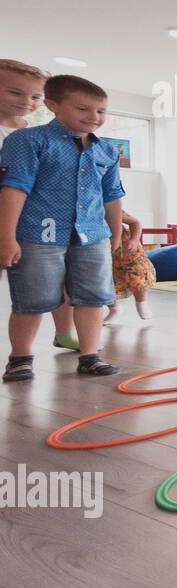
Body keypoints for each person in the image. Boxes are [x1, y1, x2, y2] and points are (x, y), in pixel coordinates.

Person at [1, 74, 123, 381]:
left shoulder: (106, 150)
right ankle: (20, 358)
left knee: (94, 296)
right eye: (83, 109)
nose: (94, 117)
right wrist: (7, 237)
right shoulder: (27, 140)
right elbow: (14, 188)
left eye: (101, 111)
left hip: (92, 235)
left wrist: (116, 233)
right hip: (37, 233)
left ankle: (90, 355)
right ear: (54, 105)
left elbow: (112, 195)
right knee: (33, 298)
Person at [0, 59, 81, 350]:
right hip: (8, 220)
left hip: (40, 222)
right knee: (28, 292)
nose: (26, 102)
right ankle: (21, 353)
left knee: (61, 278)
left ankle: (64, 331)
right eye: (15, 92)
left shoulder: (40, 136)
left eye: (35, 96)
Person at [106, 210, 155, 321]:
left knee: (137, 273)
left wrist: (134, 240)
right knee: (105, 280)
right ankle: (114, 308)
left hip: (127, 247)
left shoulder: (110, 209)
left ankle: (141, 302)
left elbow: (135, 222)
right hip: (105, 250)